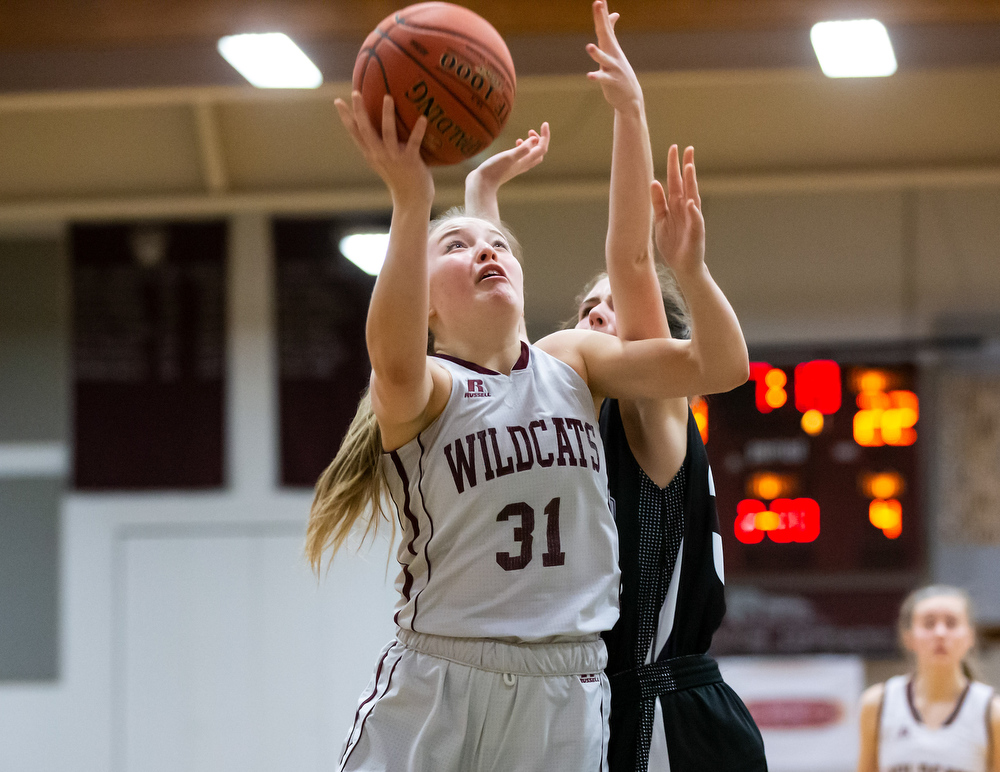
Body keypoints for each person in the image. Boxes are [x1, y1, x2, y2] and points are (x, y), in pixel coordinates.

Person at [307, 83, 749, 772]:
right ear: (423, 303)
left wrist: (687, 265)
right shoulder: (428, 389)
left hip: (566, 682)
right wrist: (414, 202)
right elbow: (399, 352)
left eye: (499, 246)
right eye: (457, 247)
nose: (486, 253)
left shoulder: (570, 366)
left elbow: (709, 356)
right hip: (446, 668)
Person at [467, 3, 764, 770]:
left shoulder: (651, 411)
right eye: (587, 309)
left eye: (615, 309)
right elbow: (499, 347)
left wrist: (630, 113)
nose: (599, 313)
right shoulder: (568, 428)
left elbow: (631, 261)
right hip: (602, 706)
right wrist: (480, 200)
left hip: (671, 715)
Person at [857, 585, 1000, 772]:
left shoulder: (992, 713)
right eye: (929, 624)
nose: (940, 633)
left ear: (970, 636)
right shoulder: (877, 704)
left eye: (951, 623)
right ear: (909, 637)